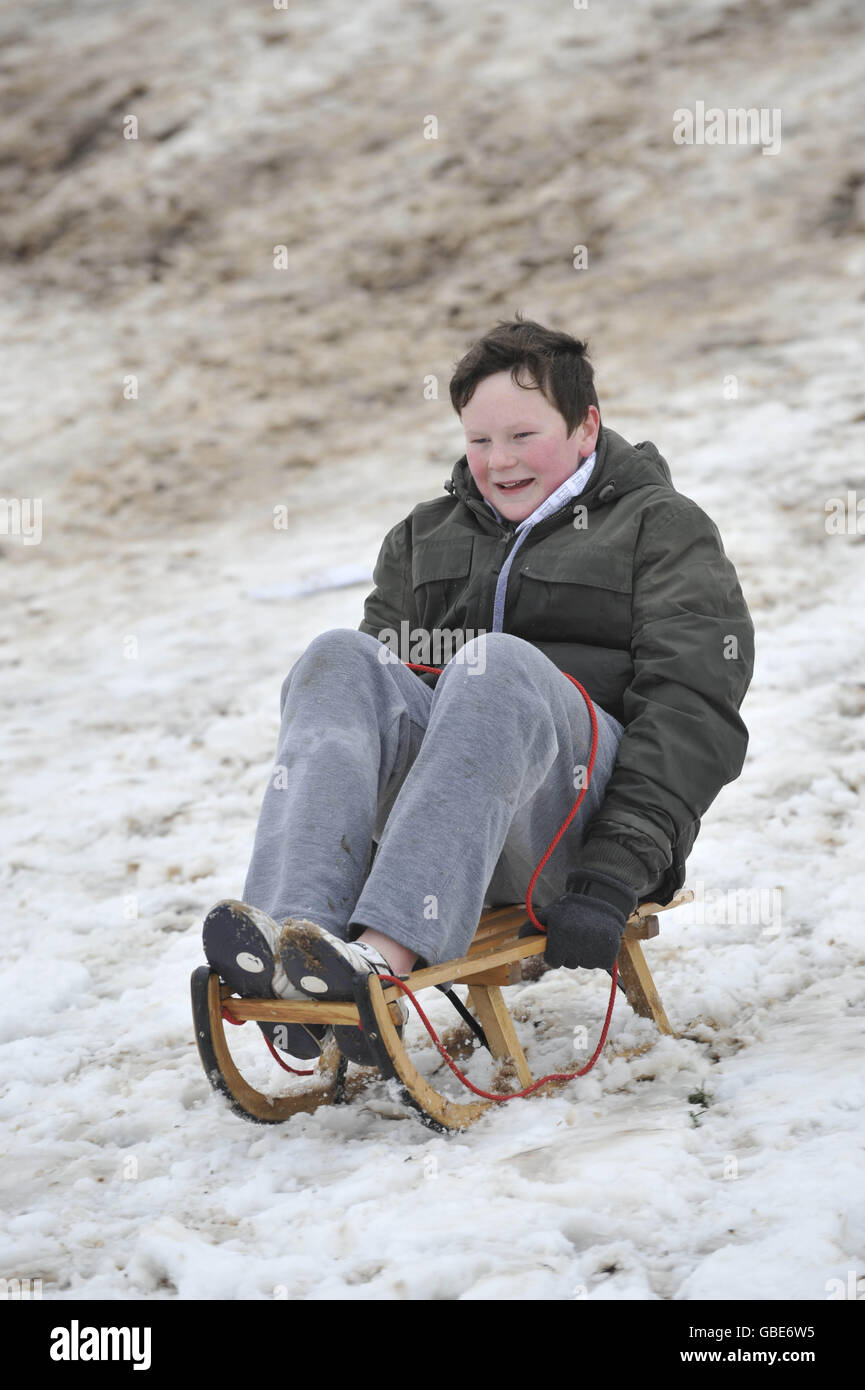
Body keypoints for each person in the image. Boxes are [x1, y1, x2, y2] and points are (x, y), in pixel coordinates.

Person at [202, 315, 755, 1066]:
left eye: (523, 437)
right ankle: (299, 944)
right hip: (437, 844)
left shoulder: (658, 528)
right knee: (339, 656)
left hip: (571, 835)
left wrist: (614, 870)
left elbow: (693, 711)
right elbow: (373, 713)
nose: (499, 462)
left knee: (497, 665)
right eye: (478, 440)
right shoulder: (422, 537)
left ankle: (380, 958)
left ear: (585, 426)